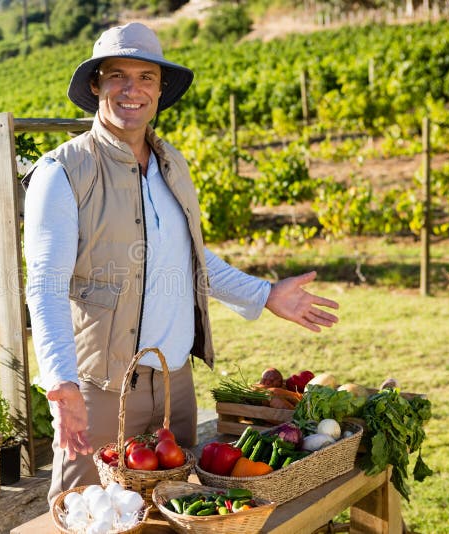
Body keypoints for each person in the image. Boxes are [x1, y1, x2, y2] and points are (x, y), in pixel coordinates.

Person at [22, 22, 339, 504]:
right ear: (95, 85)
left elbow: (188, 257)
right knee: (88, 512)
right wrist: (61, 385)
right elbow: (44, 287)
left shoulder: (172, 164)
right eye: (117, 76)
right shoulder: (63, 172)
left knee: (173, 512)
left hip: (174, 386)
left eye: (146, 76)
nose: (133, 89)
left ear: (160, 88)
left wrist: (264, 294)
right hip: (102, 389)